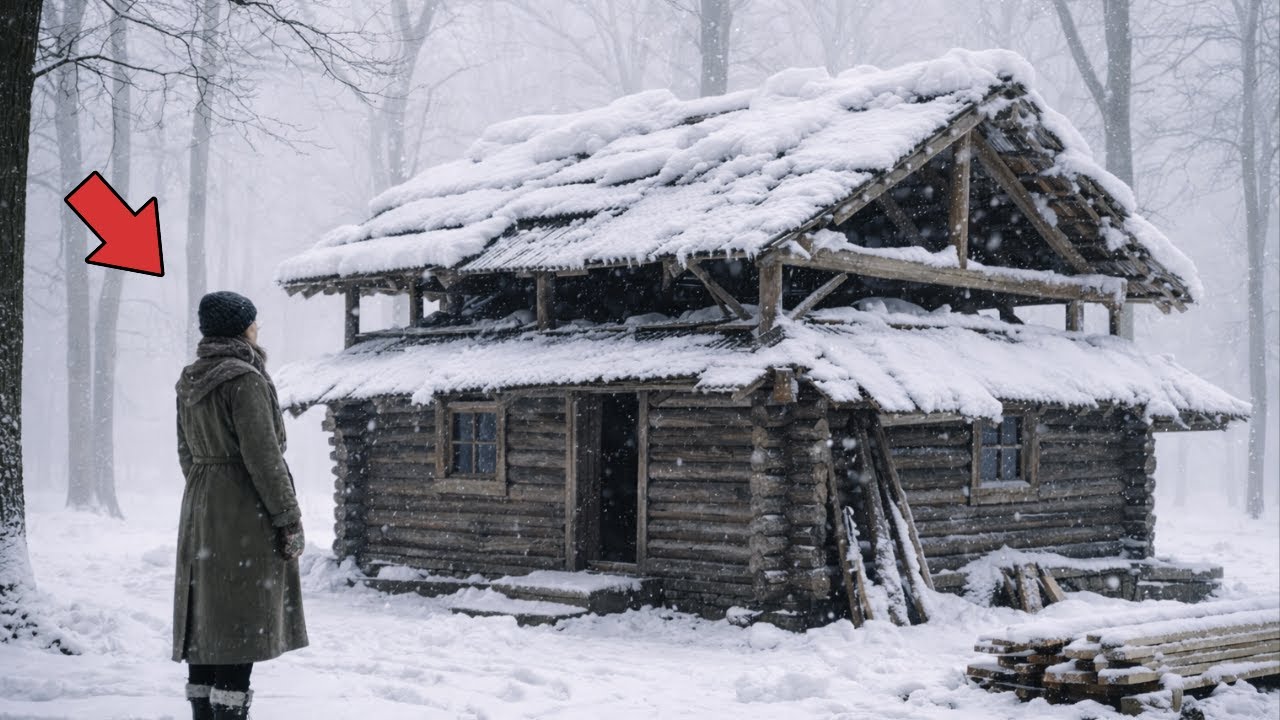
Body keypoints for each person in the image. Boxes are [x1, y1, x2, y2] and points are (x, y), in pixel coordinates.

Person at [173, 291, 308, 719]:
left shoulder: (190, 378)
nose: (257, 328)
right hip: (244, 510)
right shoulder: (244, 379)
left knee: (207, 621)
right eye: (253, 322)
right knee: (238, 621)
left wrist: (208, 491)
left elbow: (186, 452)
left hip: (201, 506)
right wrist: (288, 518)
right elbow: (264, 457)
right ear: (241, 329)